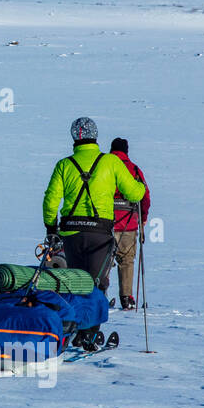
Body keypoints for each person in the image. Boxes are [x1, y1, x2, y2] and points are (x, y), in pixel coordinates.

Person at [42, 117, 146, 298]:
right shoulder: (111, 162)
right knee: (97, 283)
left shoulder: (64, 165)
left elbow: (50, 200)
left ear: (74, 136)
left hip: (71, 233)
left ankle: (76, 321)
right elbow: (135, 194)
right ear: (96, 135)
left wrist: (51, 227)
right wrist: (140, 187)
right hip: (100, 232)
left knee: (76, 281)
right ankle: (93, 323)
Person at [109, 137, 151, 310]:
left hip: (105, 221)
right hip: (128, 221)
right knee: (126, 260)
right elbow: (145, 197)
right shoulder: (134, 170)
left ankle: (99, 294)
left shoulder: (105, 166)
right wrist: (143, 218)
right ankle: (127, 297)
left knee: (103, 261)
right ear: (126, 151)